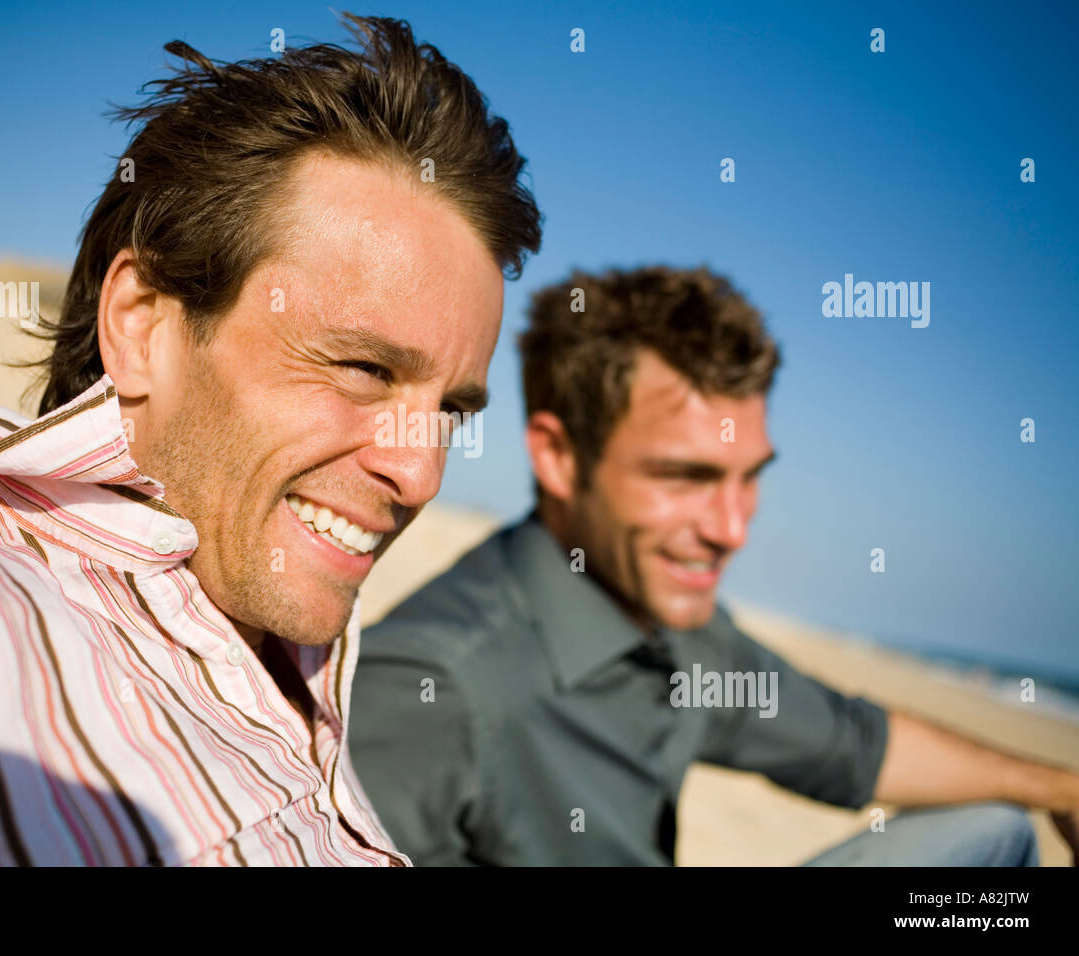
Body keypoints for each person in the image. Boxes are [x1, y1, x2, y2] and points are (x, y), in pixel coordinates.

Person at [0, 14, 542, 865]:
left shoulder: (289, 657)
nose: (421, 470)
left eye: (451, 412)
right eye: (362, 367)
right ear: (144, 326)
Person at [349, 265, 1079, 866]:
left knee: (992, 831)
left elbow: (851, 746)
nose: (732, 529)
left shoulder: (682, 625)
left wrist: (1065, 787)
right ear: (559, 456)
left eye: (749, 476)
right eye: (687, 477)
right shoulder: (432, 686)